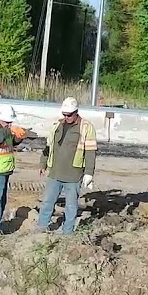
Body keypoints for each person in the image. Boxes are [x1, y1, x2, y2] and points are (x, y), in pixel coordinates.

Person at [36, 97, 97, 234]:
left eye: (69, 115)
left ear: (76, 112)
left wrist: (89, 173)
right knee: (47, 202)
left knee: (71, 206)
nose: (67, 117)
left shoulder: (86, 127)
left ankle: (67, 232)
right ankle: (41, 227)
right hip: (55, 172)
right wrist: (43, 163)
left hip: (73, 174)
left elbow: (90, 152)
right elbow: (48, 147)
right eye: (64, 114)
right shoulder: (57, 125)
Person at [0, 104, 24, 235]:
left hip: (3, 169)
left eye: (10, 122)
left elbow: (9, 142)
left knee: (1, 200)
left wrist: (18, 137)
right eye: (7, 122)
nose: (9, 124)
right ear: (0, 119)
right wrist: (11, 130)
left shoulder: (3, 129)